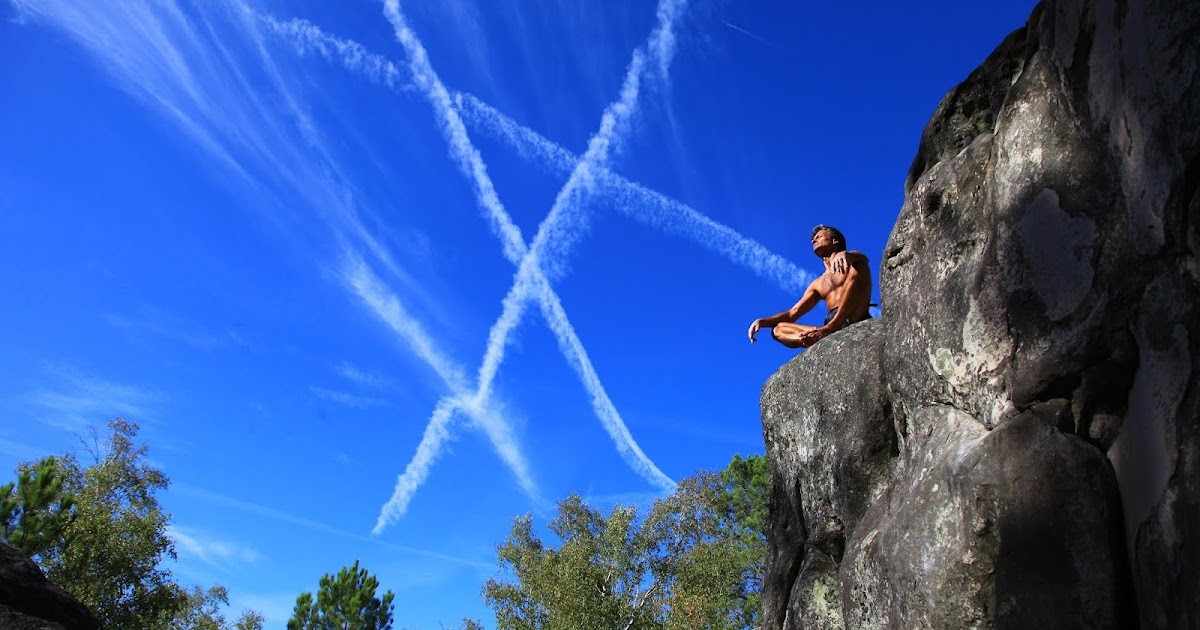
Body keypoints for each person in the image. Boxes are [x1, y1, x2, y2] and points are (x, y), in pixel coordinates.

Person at [748, 225, 873, 348]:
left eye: (819, 237)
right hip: (830, 322)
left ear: (834, 241)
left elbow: (864, 259)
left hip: (854, 314)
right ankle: (814, 337)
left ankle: (831, 328)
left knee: (860, 267)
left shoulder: (851, 261)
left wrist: (848, 254)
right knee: (778, 329)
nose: (814, 240)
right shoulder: (818, 283)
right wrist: (762, 321)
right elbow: (792, 313)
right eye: (813, 239)